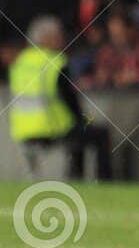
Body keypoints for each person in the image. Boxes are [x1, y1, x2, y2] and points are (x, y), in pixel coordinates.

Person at [7, 16, 112, 181]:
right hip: (51, 128)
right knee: (96, 133)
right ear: (46, 38)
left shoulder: (20, 62)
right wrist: (81, 120)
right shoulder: (55, 62)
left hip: (21, 130)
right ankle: (100, 181)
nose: (62, 40)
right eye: (58, 36)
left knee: (77, 129)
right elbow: (70, 99)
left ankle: (75, 176)